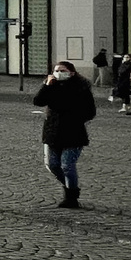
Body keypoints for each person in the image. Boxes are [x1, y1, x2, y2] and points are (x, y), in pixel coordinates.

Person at [34, 60, 96, 208]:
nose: (59, 73)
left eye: (62, 70)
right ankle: (71, 188)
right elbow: (38, 101)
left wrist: (74, 118)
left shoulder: (81, 88)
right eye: (56, 70)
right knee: (52, 165)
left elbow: (90, 111)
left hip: (73, 132)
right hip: (52, 132)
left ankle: (71, 197)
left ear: (72, 73)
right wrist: (46, 85)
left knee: (67, 165)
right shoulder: (51, 87)